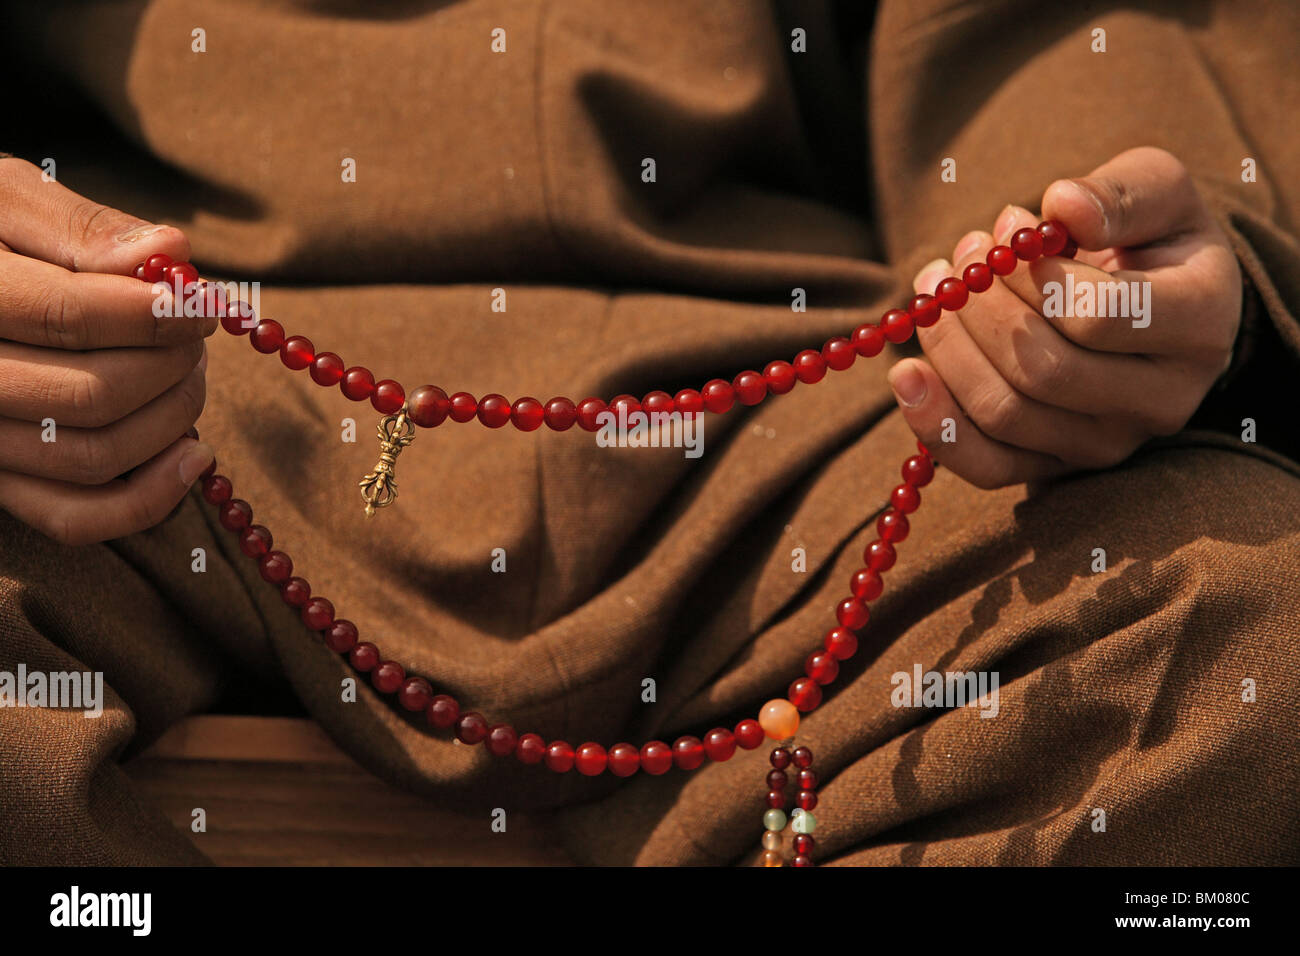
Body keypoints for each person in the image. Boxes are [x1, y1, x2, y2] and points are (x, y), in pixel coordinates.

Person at [1, 0, 1297, 865]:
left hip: (818, 392)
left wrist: (1111, 278)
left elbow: (1060, 39)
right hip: (143, 377)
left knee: (1246, 627)